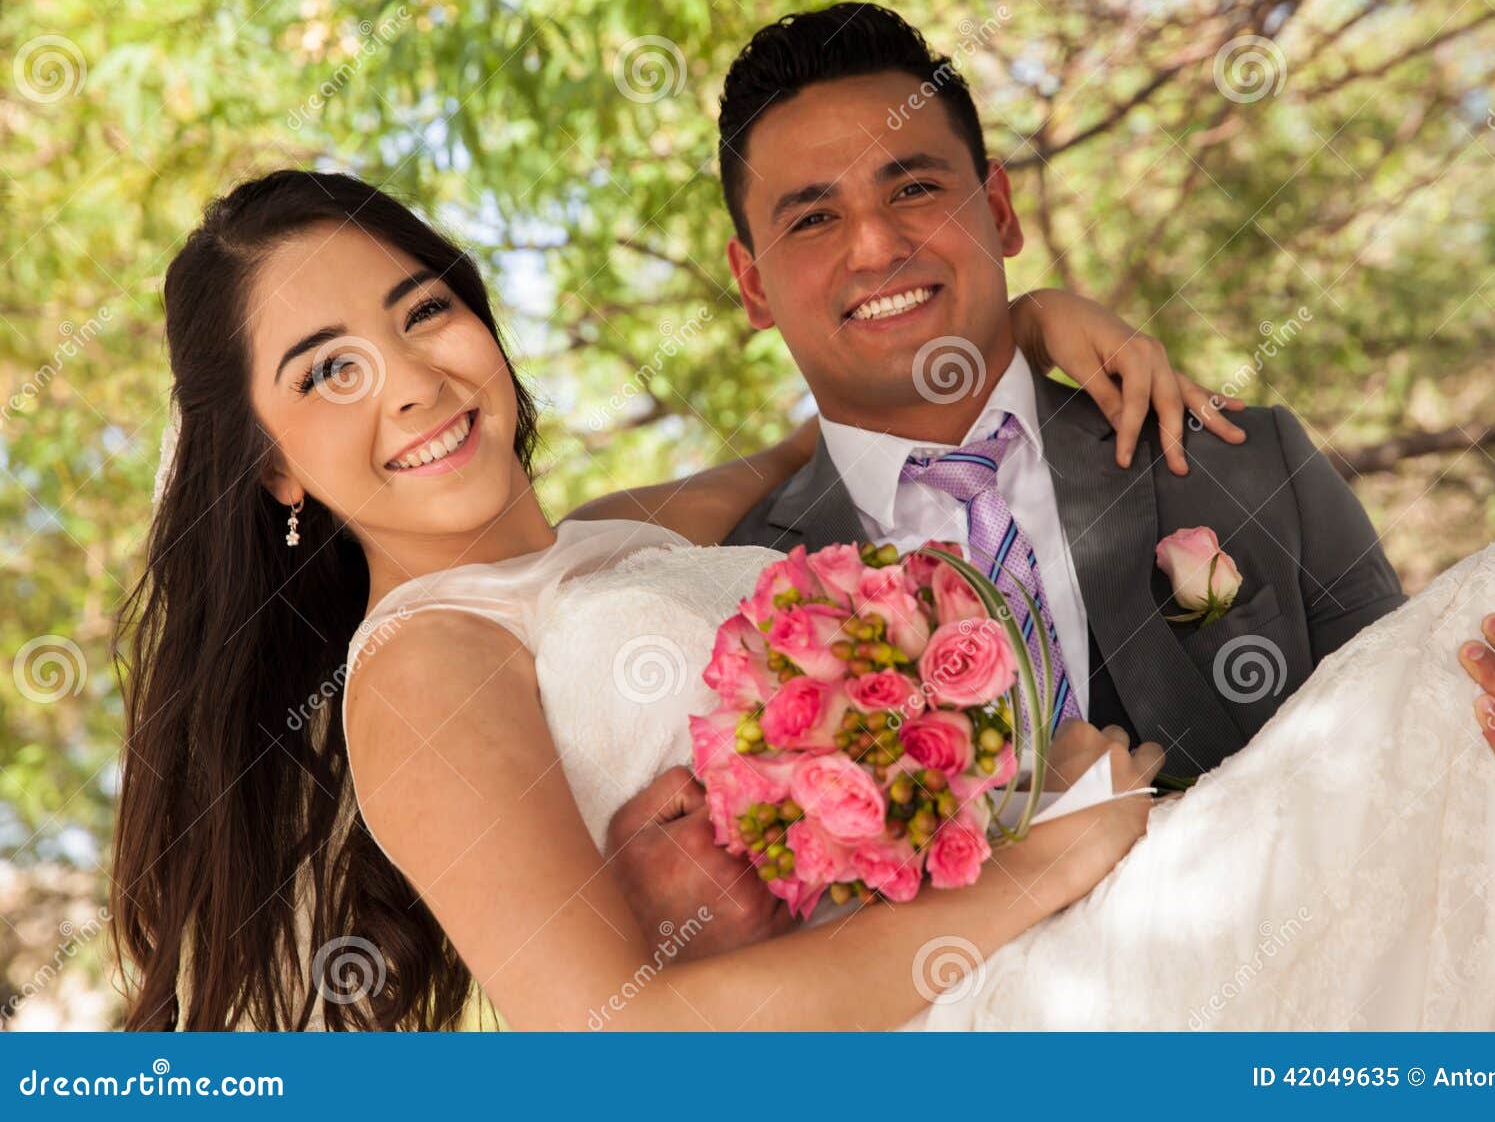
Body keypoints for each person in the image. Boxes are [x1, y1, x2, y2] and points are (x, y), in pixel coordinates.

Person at [608, 5, 1495, 1006]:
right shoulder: (735, 609)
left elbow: (1453, 832)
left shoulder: (1248, 467)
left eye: (914, 187)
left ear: (999, 209)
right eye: (813, 218)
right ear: (751, 285)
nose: (875, 244)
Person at [110, 167, 1222, 1030]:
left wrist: (1027, 323)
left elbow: (827, 434)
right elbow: (614, 1038)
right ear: (273, 465)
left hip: (1030, 938)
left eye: (424, 311)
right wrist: (1038, 870)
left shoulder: (620, 532)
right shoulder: (421, 663)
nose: (410, 382)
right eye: (327, 370)